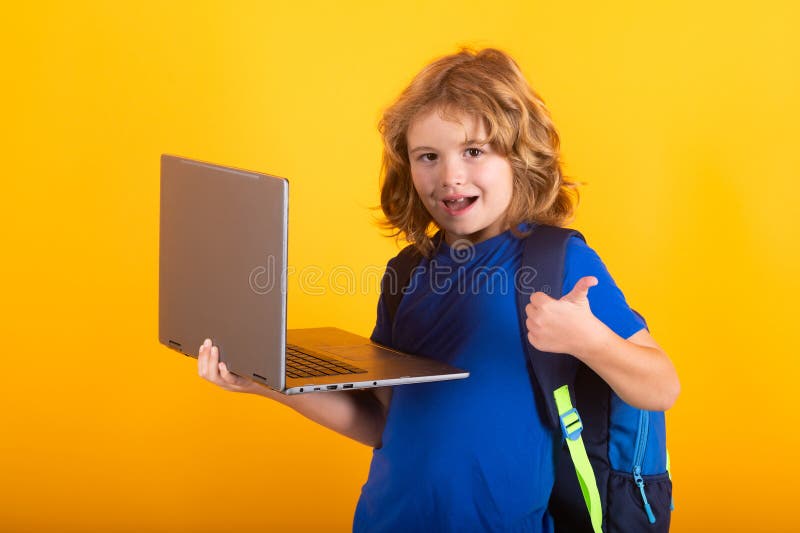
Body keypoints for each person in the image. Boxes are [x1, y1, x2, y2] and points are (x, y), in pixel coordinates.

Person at [197, 47, 680, 532]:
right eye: (428, 156)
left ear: (519, 155)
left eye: (474, 151)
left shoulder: (557, 262)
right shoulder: (406, 273)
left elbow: (661, 386)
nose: (450, 177)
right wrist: (268, 382)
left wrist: (588, 340)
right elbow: (384, 423)